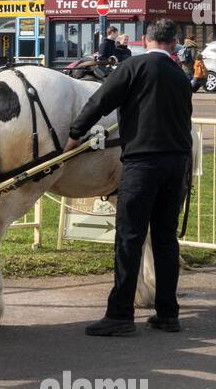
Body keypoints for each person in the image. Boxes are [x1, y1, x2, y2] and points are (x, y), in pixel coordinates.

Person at [65, 20, 194, 336]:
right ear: (174, 43)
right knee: (165, 239)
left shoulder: (133, 67)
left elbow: (99, 102)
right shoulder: (180, 77)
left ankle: (120, 315)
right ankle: (167, 314)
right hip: (176, 164)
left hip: (142, 163)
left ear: (146, 39)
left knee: (130, 237)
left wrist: (75, 135)